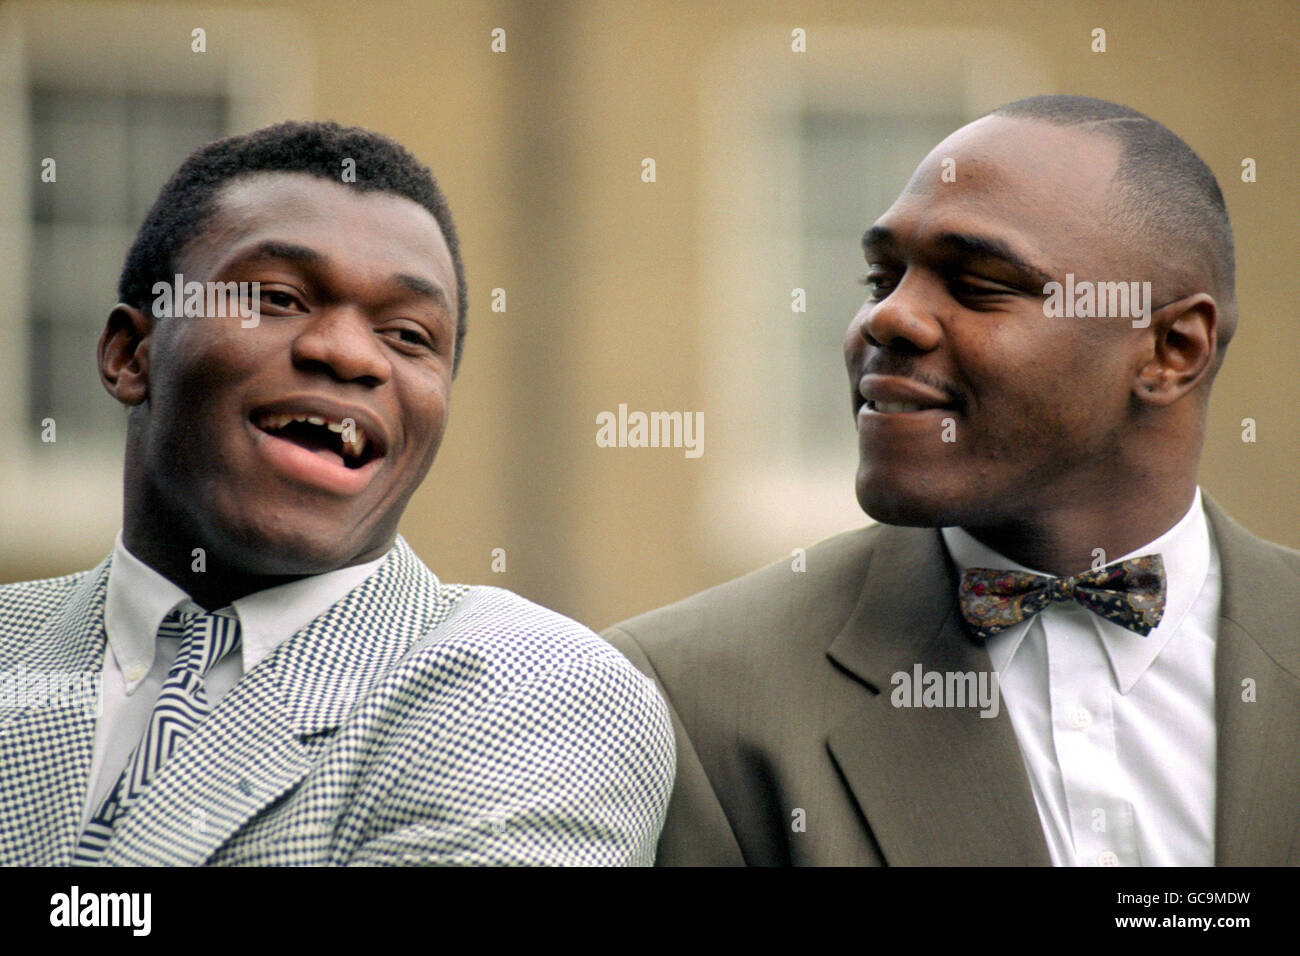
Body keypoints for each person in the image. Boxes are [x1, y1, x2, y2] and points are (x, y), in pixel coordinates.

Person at [603, 95, 1299, 866]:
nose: (888, 320)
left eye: (979, 285)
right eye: (881, 279)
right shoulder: (682, 696)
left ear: (1172, 348)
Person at [0, 121, 674, 866]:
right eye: (280, 297)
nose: (350, 354)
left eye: (410, 336)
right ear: (131, 356)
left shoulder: (539, 692)